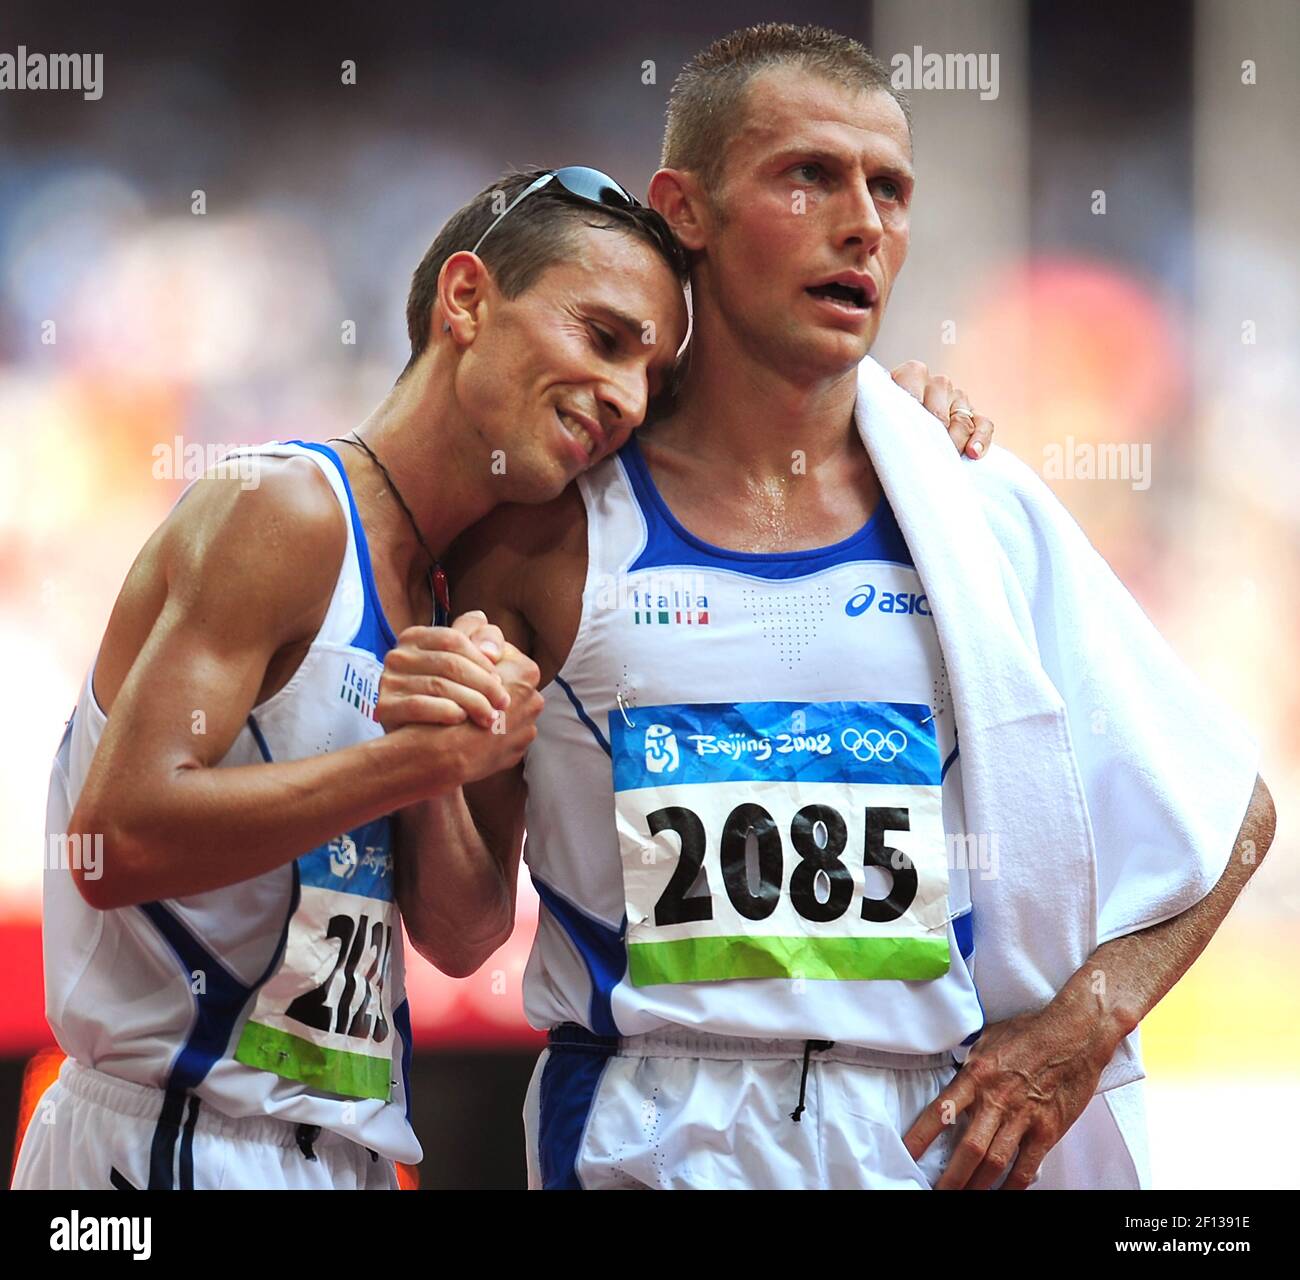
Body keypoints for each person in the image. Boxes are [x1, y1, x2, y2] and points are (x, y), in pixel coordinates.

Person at [15, 162, 978, 1190]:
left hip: (338, 1142)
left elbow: (464, 934)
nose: (621, 395)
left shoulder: (456, 593)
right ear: (466, 299)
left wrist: (878, 417)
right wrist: (407, 763)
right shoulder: (281, 510)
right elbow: (111, 842)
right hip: (161, 1137)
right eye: (603, 338)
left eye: (651, 378)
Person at [446, 24, 1275, 1190]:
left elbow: (1231, 813)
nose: (863, 224)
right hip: (644, 1131)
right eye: (808, 177)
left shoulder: (975, 509)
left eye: (889, 188)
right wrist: (424, 756)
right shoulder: (542, 533)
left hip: (919, 1139)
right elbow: (457, 924)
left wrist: (1079, 1030)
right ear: (683, 208)